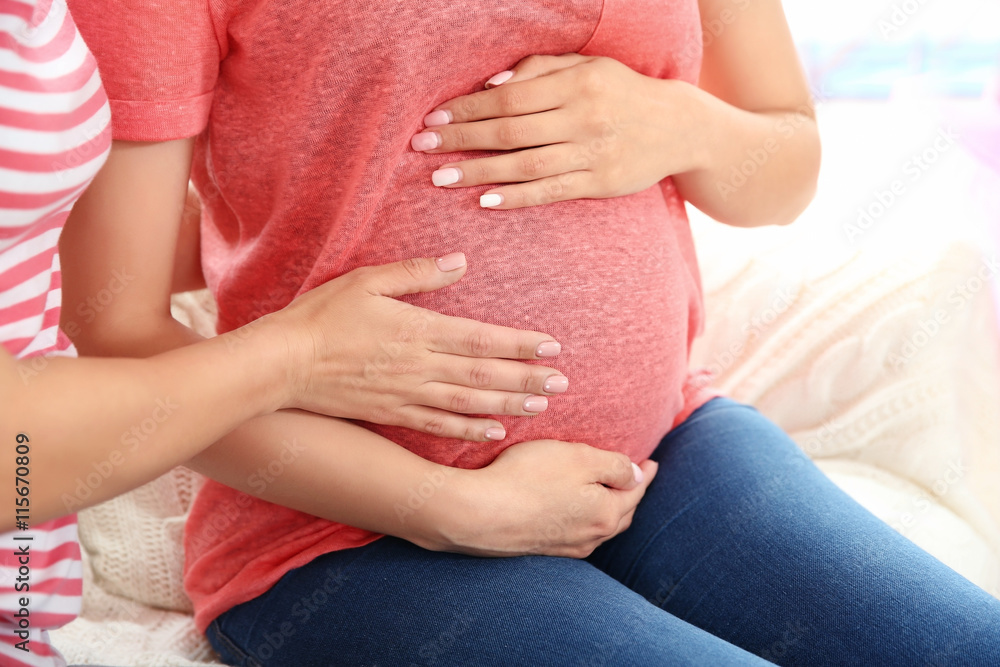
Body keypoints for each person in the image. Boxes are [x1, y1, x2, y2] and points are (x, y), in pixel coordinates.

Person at [66, 0, 1000, 664]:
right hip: (340, 536)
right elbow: (117, 320)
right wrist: (446, 504)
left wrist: (687, 128)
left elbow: (785, 165)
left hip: (664, 448)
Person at [0, 1, 595, 663]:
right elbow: (16, 444)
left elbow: (45, 236)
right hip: (321, 541)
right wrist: (297, 354)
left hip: (25, 607)